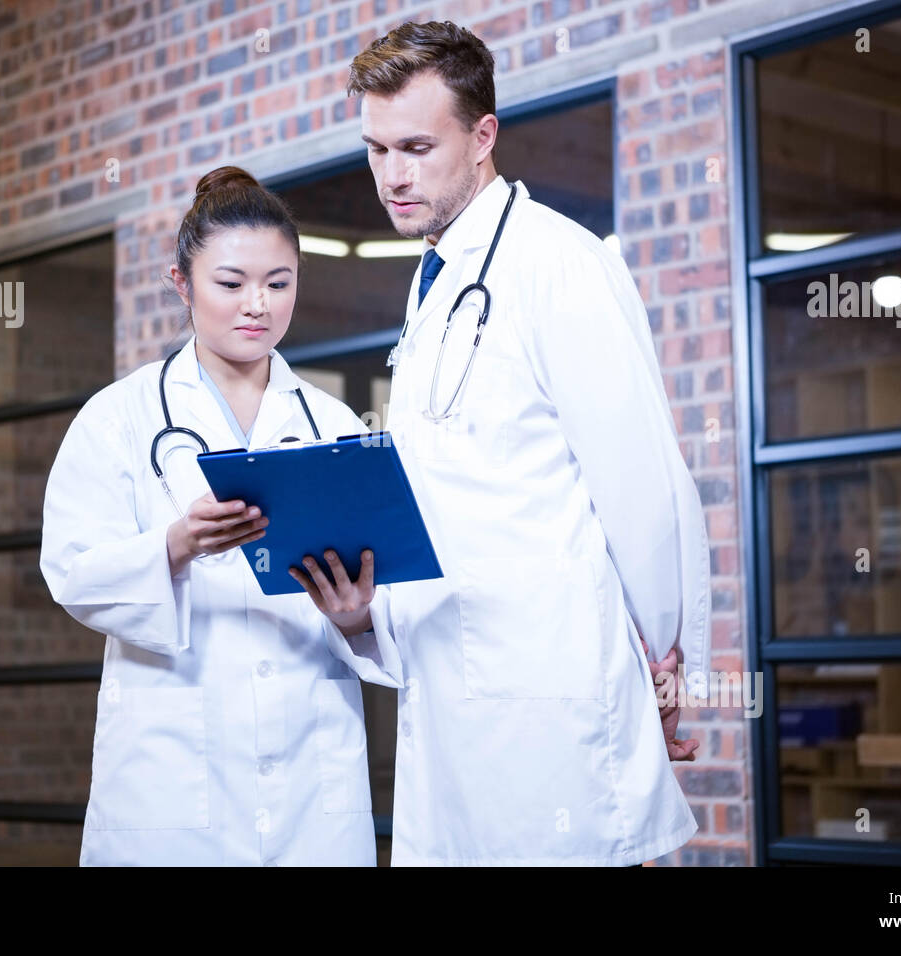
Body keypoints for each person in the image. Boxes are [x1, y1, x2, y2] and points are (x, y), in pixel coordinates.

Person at [296, 20, 713, 866]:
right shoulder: (437, 283)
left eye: (416, 145)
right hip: (455, 712)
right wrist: (368, 617)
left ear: (483, 136)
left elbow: (640, 486)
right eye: (376, 150)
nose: (393, 176)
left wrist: (665, 668)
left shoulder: (558, 263)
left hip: (552, 716)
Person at [40, 165, 401, 866]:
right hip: (172, 775)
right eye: (231, 284)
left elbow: (389, 589)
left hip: (309, 779)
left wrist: (357, 615)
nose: (257, 305)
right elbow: (72, 573)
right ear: (182, 283)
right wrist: (174, 546)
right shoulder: (121, 418)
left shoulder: (331, 425)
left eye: (279, 282)